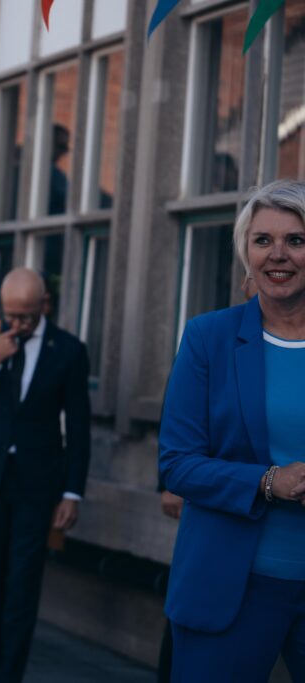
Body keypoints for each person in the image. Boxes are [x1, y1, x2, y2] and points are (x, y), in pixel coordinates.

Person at [159, 180, 305, 681]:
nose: (278, 255)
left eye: (296, 240)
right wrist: (269, 481)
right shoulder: (209, 337)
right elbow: (176, 463)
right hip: (232, 587)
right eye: (263, 240)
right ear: (246, 250)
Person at [0, 267, 90, 683]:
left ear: (43, 307)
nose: (16, 324)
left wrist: (72, 493)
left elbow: (80, 425)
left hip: (38, 484)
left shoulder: (68, 350)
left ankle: (8, 676)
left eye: (26, 317)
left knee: (23, 583)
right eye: (10, 314)